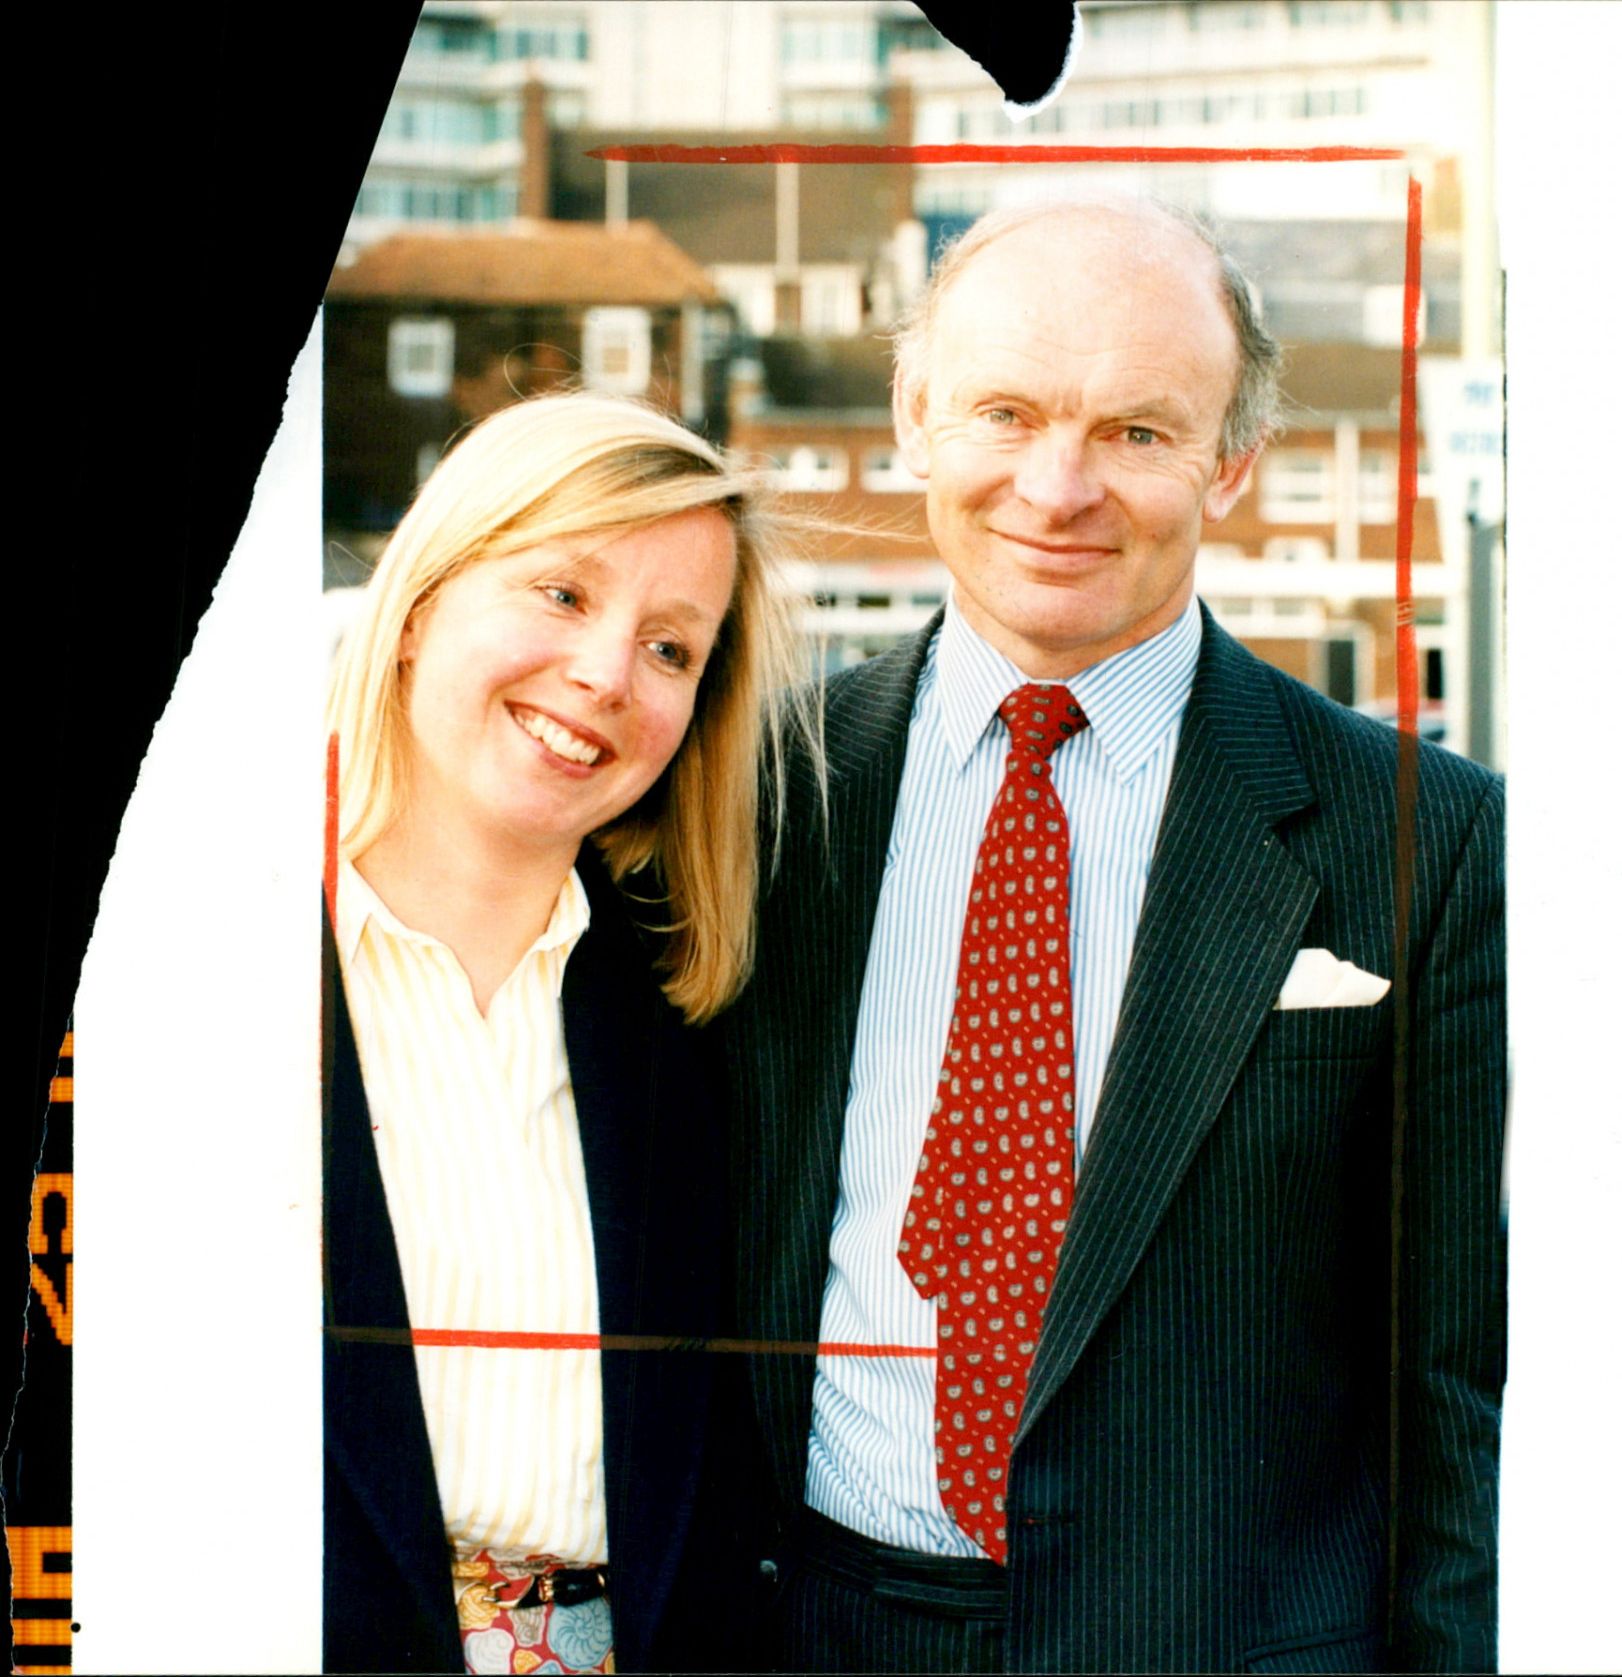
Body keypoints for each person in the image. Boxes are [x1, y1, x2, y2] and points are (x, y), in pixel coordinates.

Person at [721, 197, 1505, 1674]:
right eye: (1005, 414)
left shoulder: (1428, 837)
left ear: (1233, 461)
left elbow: (1455, 1380)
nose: (1057, 486)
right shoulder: (757, 798)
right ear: (915, 420)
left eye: (1137, 432)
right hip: (811, 1628)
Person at [320, 392, 811, 1673]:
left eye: (669, 648)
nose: (603, 675)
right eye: (560, 593)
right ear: (420, 606)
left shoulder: (698, 1019)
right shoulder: (203, 959)